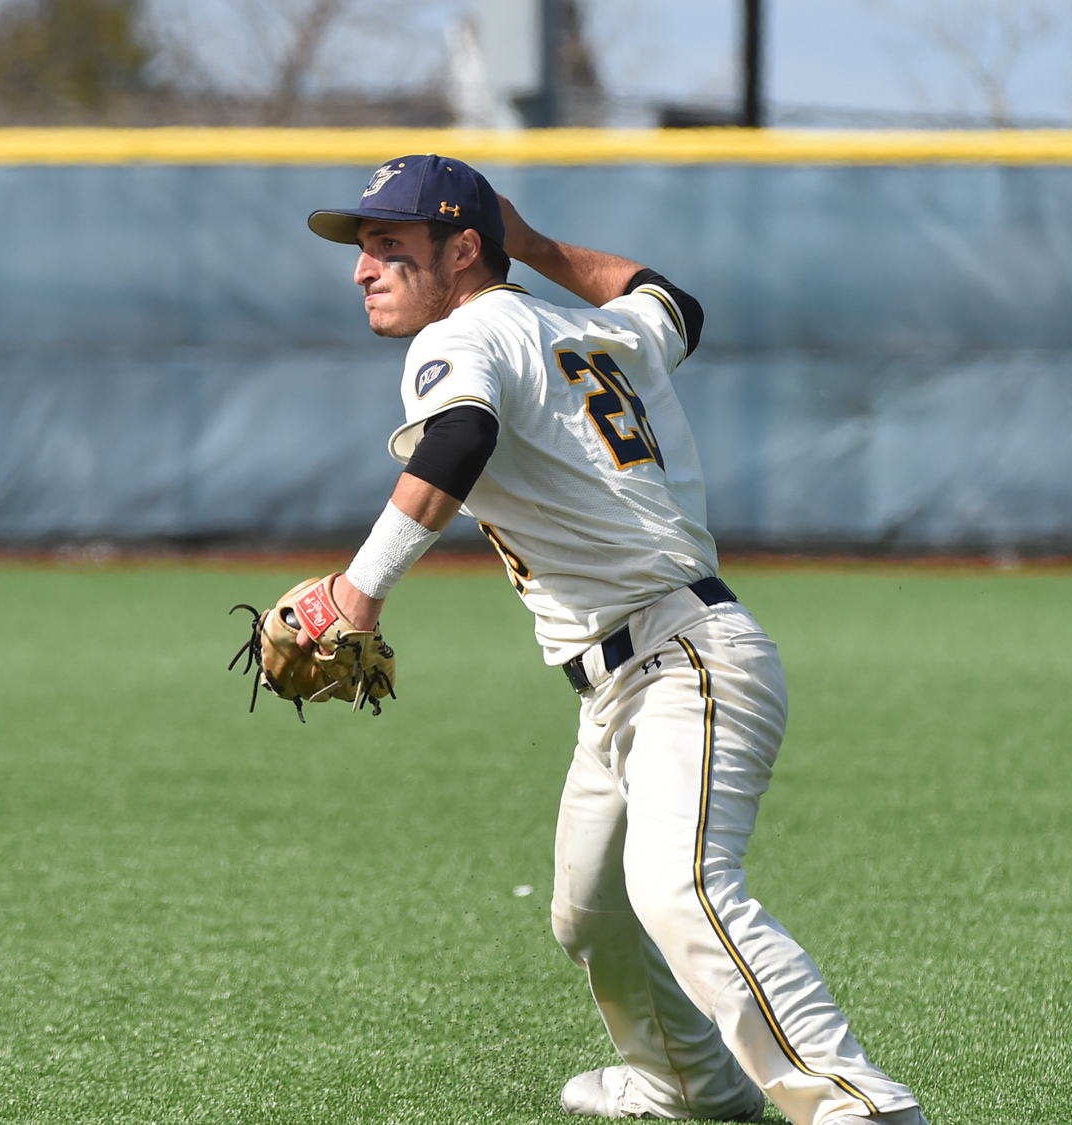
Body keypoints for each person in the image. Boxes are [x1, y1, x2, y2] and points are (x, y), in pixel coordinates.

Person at [305, 154, 928, 1125]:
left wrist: (358, 591)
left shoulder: (463, 334)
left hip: (683, 660)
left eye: (389, 245)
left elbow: (458, 439)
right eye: (363, 248)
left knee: (679, 889)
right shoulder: (596, 329)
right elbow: (672, 301)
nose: (362, 268)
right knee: (589, 912)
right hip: (628, 678)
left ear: (461, 250)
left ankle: (860, 1105)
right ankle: (687, 1081)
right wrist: (535, 243)